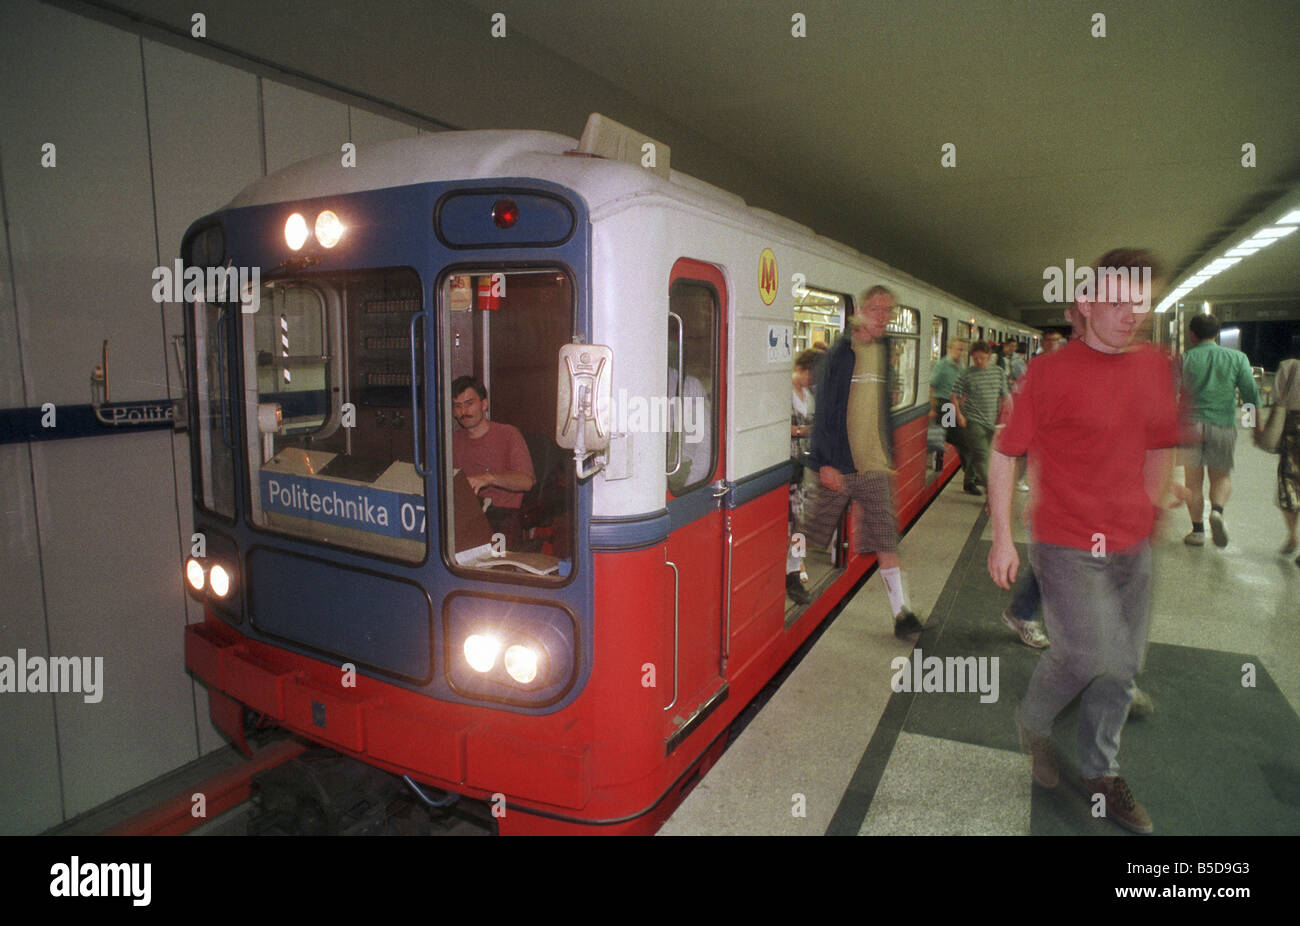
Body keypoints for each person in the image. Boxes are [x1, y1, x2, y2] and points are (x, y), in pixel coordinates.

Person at [988, 248, 1179, 834]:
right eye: (1117, 301)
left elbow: (1158, 440)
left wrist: (1154, 503)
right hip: (1067, 543)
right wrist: (1002, 537)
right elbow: (1004, 452)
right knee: (1085, 655)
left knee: (1122, 669)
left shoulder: (1155, 366)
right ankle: (1035, 723)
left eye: (1139, 303)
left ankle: (1100, 771)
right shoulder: (1048, 374)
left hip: (1132, 547)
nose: (1130, 314)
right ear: (1086, 304)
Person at [799, 285, 924, 638]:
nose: (883, 317)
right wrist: (823, 461)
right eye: (877, 309)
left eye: (889, 311)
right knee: (812, 531)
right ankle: (791, 572)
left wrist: (889, 453)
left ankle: (903, 616)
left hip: (873, 465)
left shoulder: (882, 349)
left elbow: (881, 404)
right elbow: (825, 409)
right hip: (839, 462)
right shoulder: (840, 353)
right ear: (861, 311)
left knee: (887, 539)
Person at [1178, 313, 1260, 548]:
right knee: (1221, 476)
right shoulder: (1237, 358)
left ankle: (1197, 532)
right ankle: (1217, 511)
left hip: (1189, 426)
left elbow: (1168, 394)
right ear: (1217, 333)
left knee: (1193, 481)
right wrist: (1252, 424)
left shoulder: (1184, 359)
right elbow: (1250, 394)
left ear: (1192, 335)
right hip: (1222, 424)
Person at [450, 376, 536, 547]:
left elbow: (526, 482)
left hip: (502, 518)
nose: (463, 411)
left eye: (469, 404)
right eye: (457, 406)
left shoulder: (508, 434)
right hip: (466, 517)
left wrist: (488, 479)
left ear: (484, 404)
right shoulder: (453, 440)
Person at [951, 342, 1010, 496]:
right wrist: (959, 415)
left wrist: (1007, 416)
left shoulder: (998, 372)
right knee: (982, 457)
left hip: (991, 421)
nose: (978, 361)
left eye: (982, 358)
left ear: (989, 356)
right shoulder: (966, 373)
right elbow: (954, 396)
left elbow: (1005, 396)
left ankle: (969, 482)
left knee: (975, 454)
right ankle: (994, 493)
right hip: (972, 420)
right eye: (975, 358)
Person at [787, 348, 821, 604]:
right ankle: (789, 572)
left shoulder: (808, 396)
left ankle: (794, 571)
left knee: (801, 525)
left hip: (802, 471)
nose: (813, 382)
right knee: (789, 524)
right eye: (812, 376)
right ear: (803, 369)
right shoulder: (782, 390)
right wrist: (801, 430)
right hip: (784, 470)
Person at [1271, 348, 1300, 564]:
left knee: (1288, 480)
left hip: (1293, 429)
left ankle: (1292, 536)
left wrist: (1251, 424)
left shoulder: (1290, 366)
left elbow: (1277, 397)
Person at [929, 337, 968, 475]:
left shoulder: (960, 365)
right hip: (945, 405)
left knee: (954, 438)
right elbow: (932, 385)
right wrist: (932, 408)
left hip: (954, 405)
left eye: (962, 349)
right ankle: (970, 475)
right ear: (949, 349)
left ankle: (969, 474)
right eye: (958, 349)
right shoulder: (942, 365)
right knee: (959, 439)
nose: (960, 352)